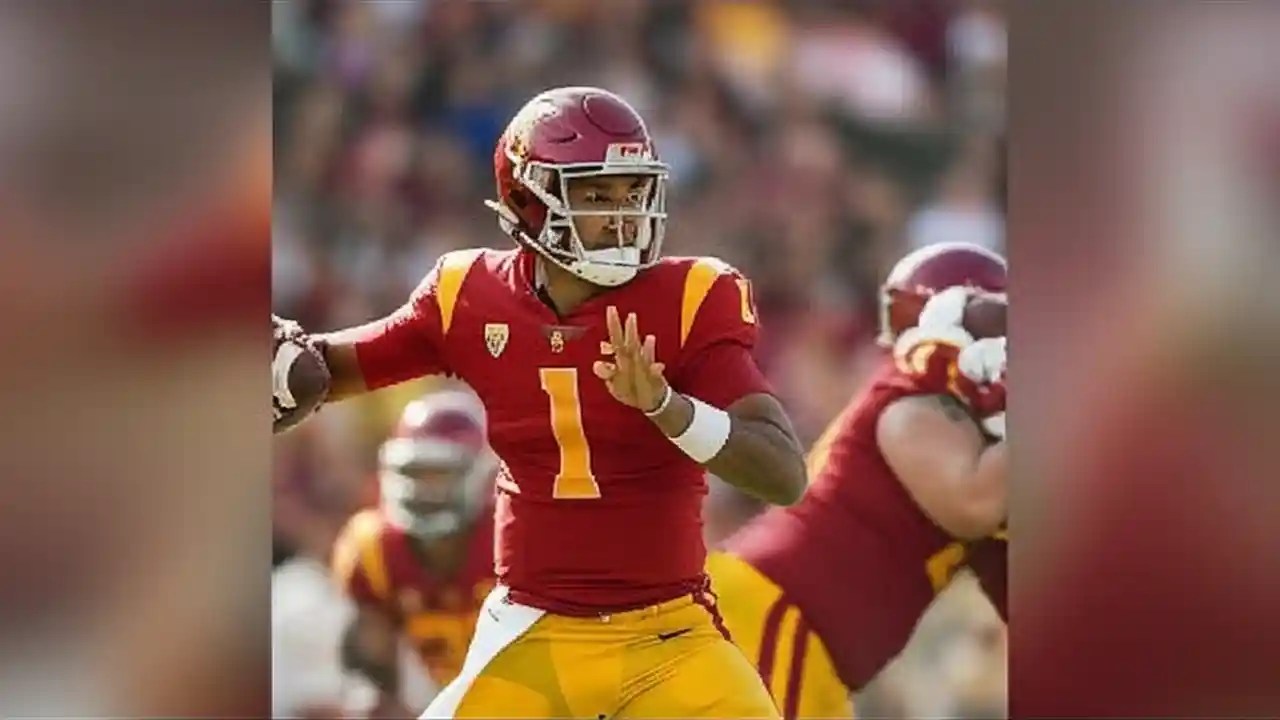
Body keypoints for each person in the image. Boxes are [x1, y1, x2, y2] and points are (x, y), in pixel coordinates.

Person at [274, 86, 807, 719]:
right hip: (535, 629)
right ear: (526, 201)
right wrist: (282, 368)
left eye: (633, 192)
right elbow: (331, 368)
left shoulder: (693, 296)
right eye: (596, 195)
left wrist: (668, 407)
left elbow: (783, 473)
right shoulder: (468, 294)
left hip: (670, 635)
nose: (621, 216)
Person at [706, 242, 1009, 718]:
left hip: (799, 637)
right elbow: (972, 501)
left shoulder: (973, 440)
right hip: (775, 612)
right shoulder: (912, 404)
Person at [333, 389, 498, 717]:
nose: (425, 490)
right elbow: (368, 665)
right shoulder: (373, 549)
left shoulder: (513, 540)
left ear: (482, 474)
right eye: (415, 473)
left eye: (440, 474)